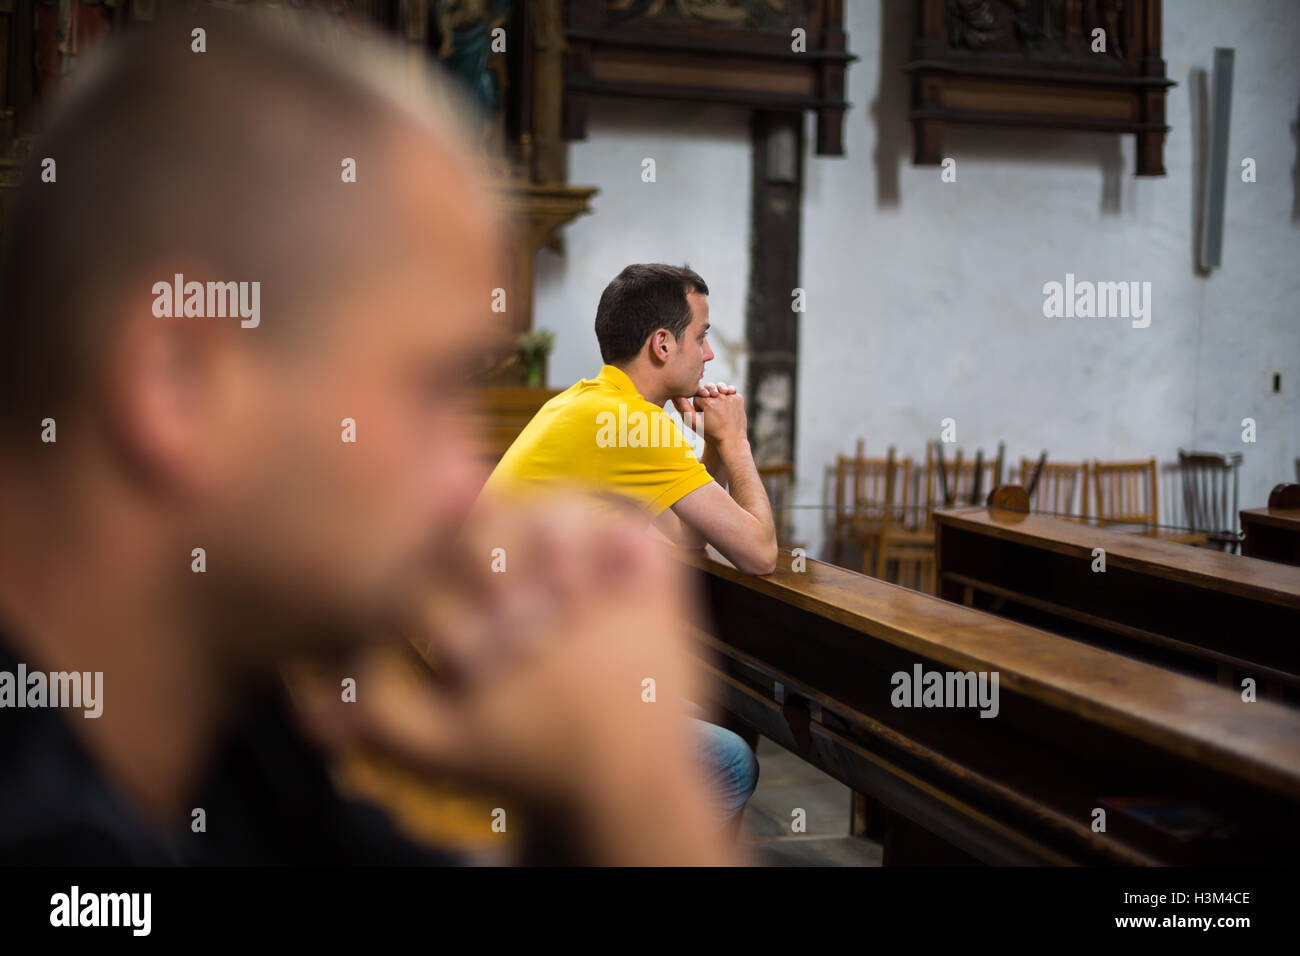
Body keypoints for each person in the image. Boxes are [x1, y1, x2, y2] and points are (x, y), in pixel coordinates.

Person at [0, 7, 736, 866]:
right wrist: (641, 792)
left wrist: (594, 790)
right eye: (428, 388)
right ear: (178, 381)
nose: (465, 486)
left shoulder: (237, 728)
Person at [481, 263, 781, 827]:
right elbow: (760, 553)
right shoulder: (633, 423)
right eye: (703, 336)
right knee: (731, 762)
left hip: (485, 661)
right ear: (662, 344)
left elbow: (684, 540)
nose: (710, 355)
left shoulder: (587, 403)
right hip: (503, 690)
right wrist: (737, 442)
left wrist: (709, 448)